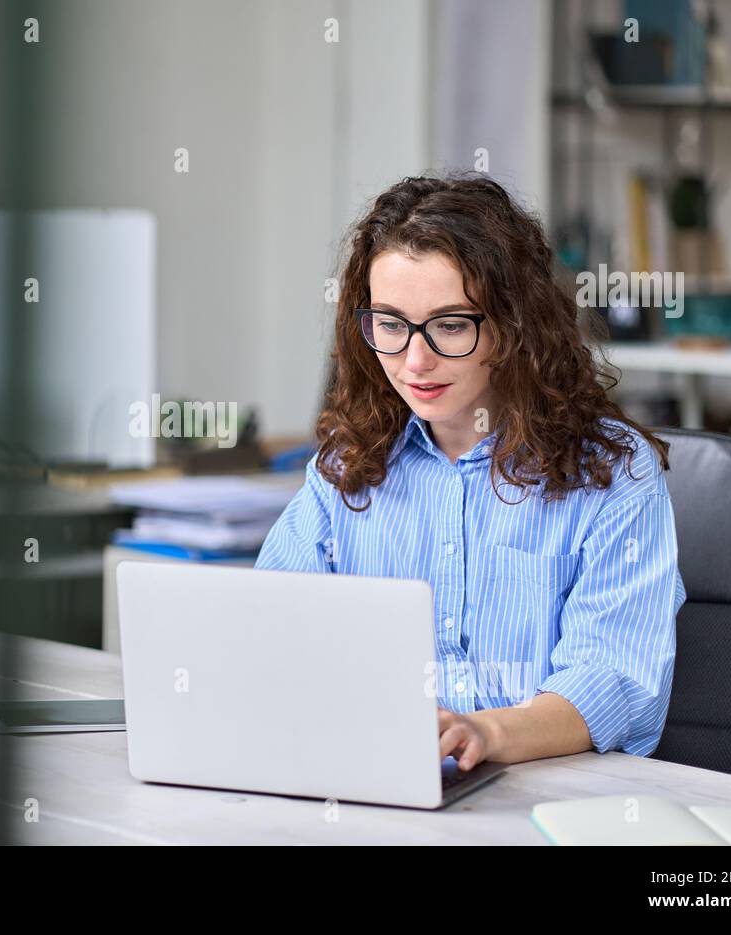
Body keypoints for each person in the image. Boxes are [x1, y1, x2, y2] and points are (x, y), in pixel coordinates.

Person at [256, 175, 685, 771]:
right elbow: (270, 633)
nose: (414, 360)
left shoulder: (612, 474)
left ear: (514, 326)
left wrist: (481, 733)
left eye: (451, 325)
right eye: (389, 323)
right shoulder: (346, 464)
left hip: (548, 797)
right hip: (379, 787)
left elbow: (613, 684)